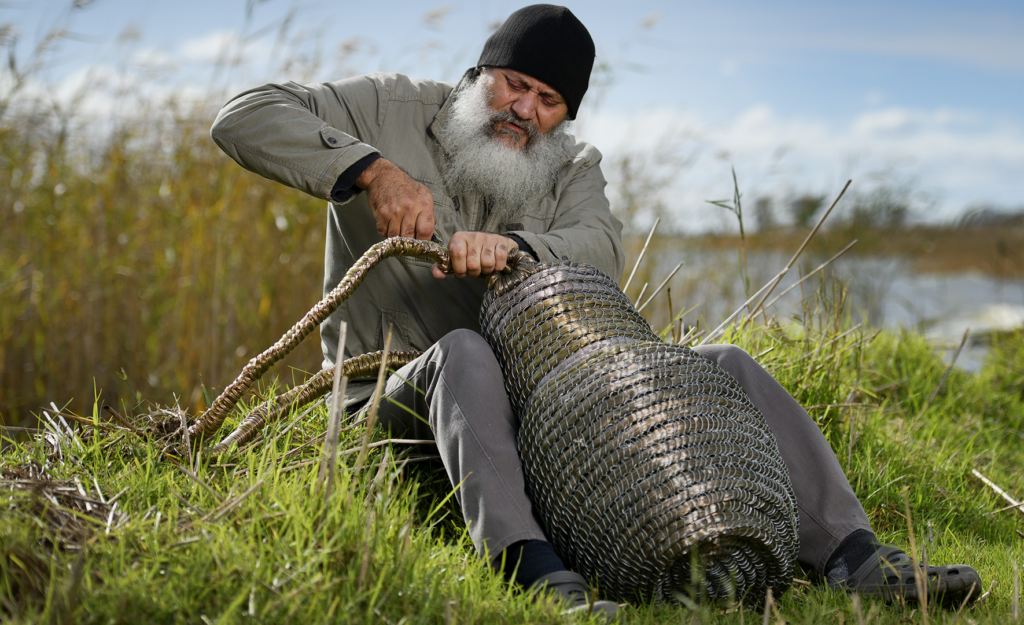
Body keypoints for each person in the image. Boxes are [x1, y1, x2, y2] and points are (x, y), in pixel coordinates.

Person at [210, 4, 980, 618]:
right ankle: (537, 574)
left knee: (725, 367)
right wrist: (370, 172)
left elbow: (600, 249)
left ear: (564, 115)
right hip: (389, 414)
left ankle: (854, 556)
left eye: (548, 100)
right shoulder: (386, 106)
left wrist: (511, 247)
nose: (523, 109)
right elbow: (242, 114)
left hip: (535, 425)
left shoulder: (571, 166)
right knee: (463, 350)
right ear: (479, 72)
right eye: (513, 83)